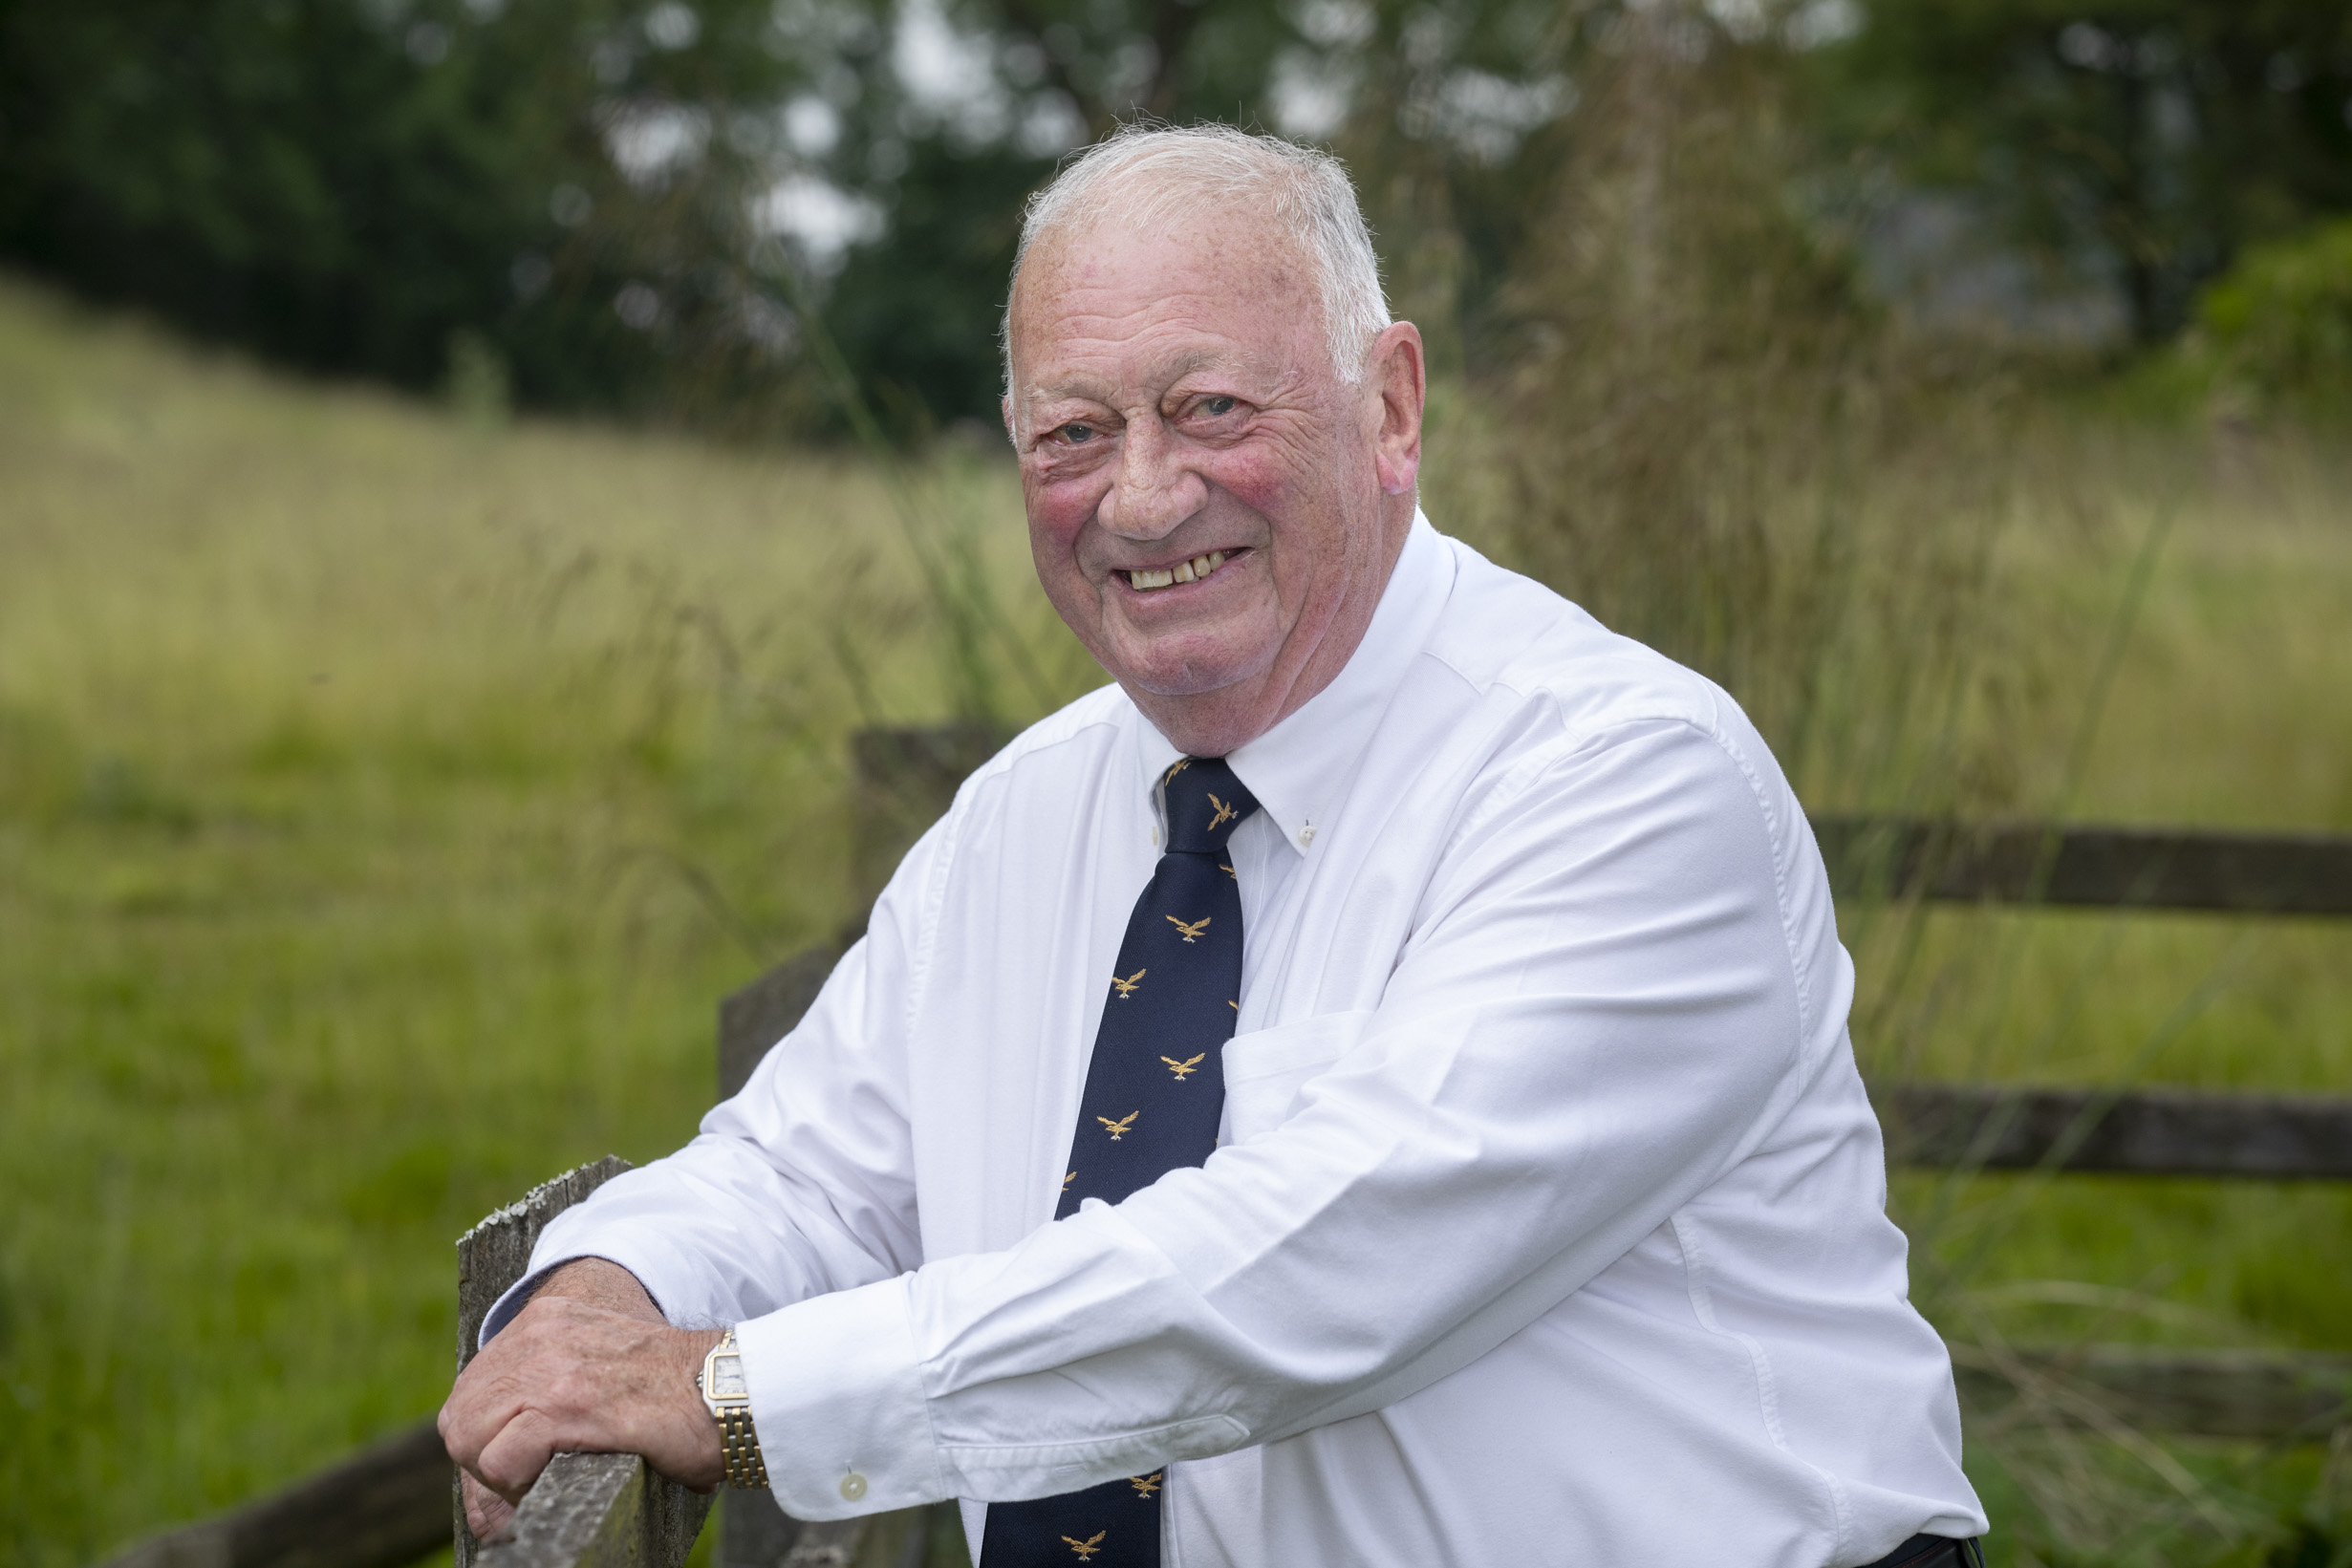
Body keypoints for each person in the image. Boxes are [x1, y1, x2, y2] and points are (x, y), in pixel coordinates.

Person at [440, 123, 1989, 1568]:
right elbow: (808, 1169)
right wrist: (606, 1292)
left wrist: (734, 1388)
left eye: (1211, 409)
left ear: (1390, 407)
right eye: (1070, 431)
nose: (1140, 493)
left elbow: (1304, 1272)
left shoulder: (1624, 779)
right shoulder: (1025, 814)